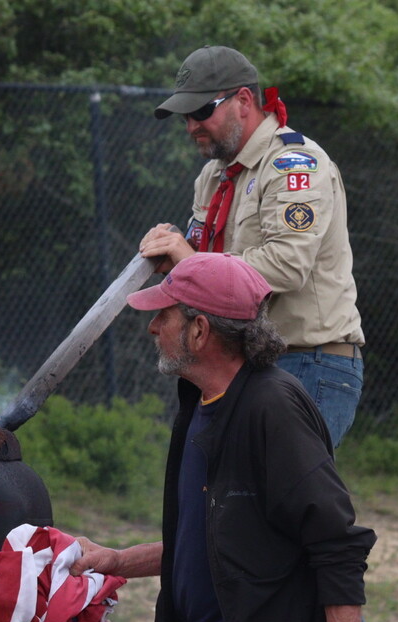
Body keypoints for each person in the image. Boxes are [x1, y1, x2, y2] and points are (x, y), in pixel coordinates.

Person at [69, 253, 376, 622]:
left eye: (165, 314)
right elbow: (215, 542)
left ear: (199, 331)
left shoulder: (272, 407)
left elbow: (336, 544)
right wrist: (117, 560)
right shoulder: (200, 404)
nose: (152, 327)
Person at [139, 45, 364, 449]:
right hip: (245, 365)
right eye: (185, 117)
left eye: (202, 111)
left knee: (280, 503)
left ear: (243, 100)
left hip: (307, 362)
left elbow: (287, 266)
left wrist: (190, 262)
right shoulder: (214, 175)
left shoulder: (296, 164)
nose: (192, 126)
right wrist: (171, 261)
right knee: (226, 502)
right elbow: (206, 263)